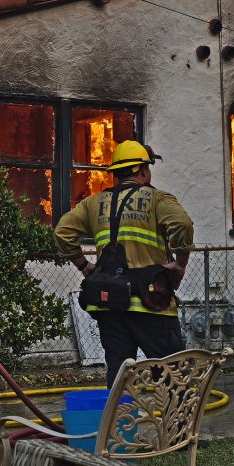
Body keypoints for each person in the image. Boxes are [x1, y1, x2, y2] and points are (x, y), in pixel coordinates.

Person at [53, 140, 195, 387]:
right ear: (142, 170)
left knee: (119, 379)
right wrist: (180, 264)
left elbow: (62, 233)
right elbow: (182, 225)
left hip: (111, 305)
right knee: (172, 377)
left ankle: (119, 424)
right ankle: (177, 424)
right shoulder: (158, 199)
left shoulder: (93, 203)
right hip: (152, 305)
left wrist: (84, 267)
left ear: (117, 172)